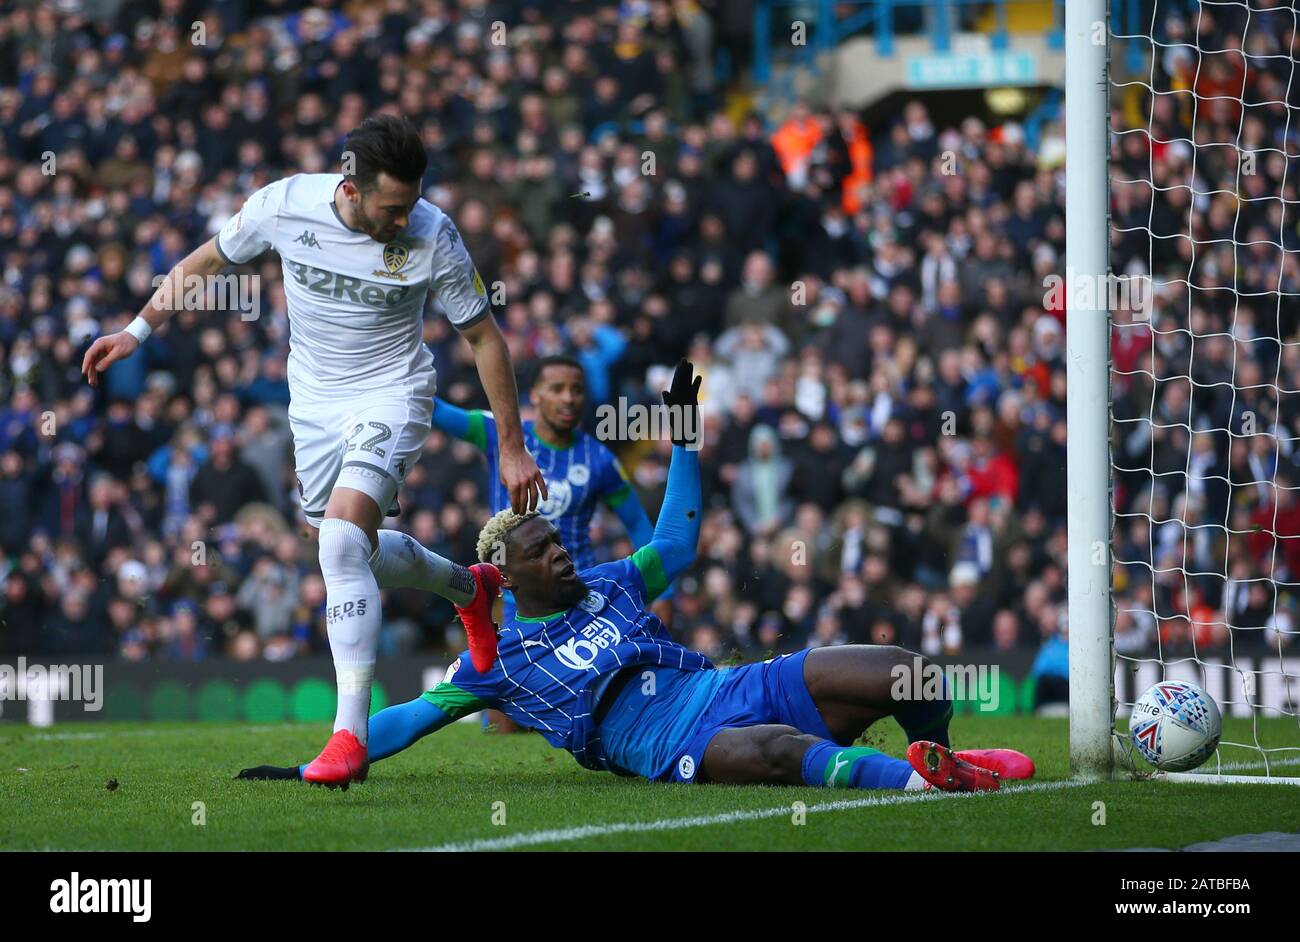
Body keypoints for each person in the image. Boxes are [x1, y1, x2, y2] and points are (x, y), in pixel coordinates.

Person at [239, 362, 1034, 791]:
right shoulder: (496, 665)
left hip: (727, 687)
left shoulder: (612, 581)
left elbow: (677, 544)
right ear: (506, 579)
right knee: (774, 751)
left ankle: (944, 757)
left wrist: (683, 441)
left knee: (908, 672)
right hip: (667, 743)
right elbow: (408, 721)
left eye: (558, 540)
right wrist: (325, 756)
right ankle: (921, 785)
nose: (562, 553)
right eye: (545, 550)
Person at [82, 115, 547, 788]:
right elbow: (207, 260)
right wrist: (135, 331)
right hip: (315, 406)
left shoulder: (433, 233)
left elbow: (484, 338)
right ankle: (467, 587)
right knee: (341, 545)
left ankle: (347, 739)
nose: (401, 221)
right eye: (391, 208)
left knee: (338, 545)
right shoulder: (286, 205)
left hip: (392, 391)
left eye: (410, 206)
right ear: (351, 189)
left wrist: (511, 445)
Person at [434, 353, 670, 733]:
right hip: (510, 600)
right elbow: (436, 411)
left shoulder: (599, 459)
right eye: (557, 388)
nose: (568, 398)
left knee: (591, 717)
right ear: (535, 395)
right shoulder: (503, 435)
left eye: (576, 390)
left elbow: (640, 528)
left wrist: (664, 594)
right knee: (501, 724)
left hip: (579, 603)